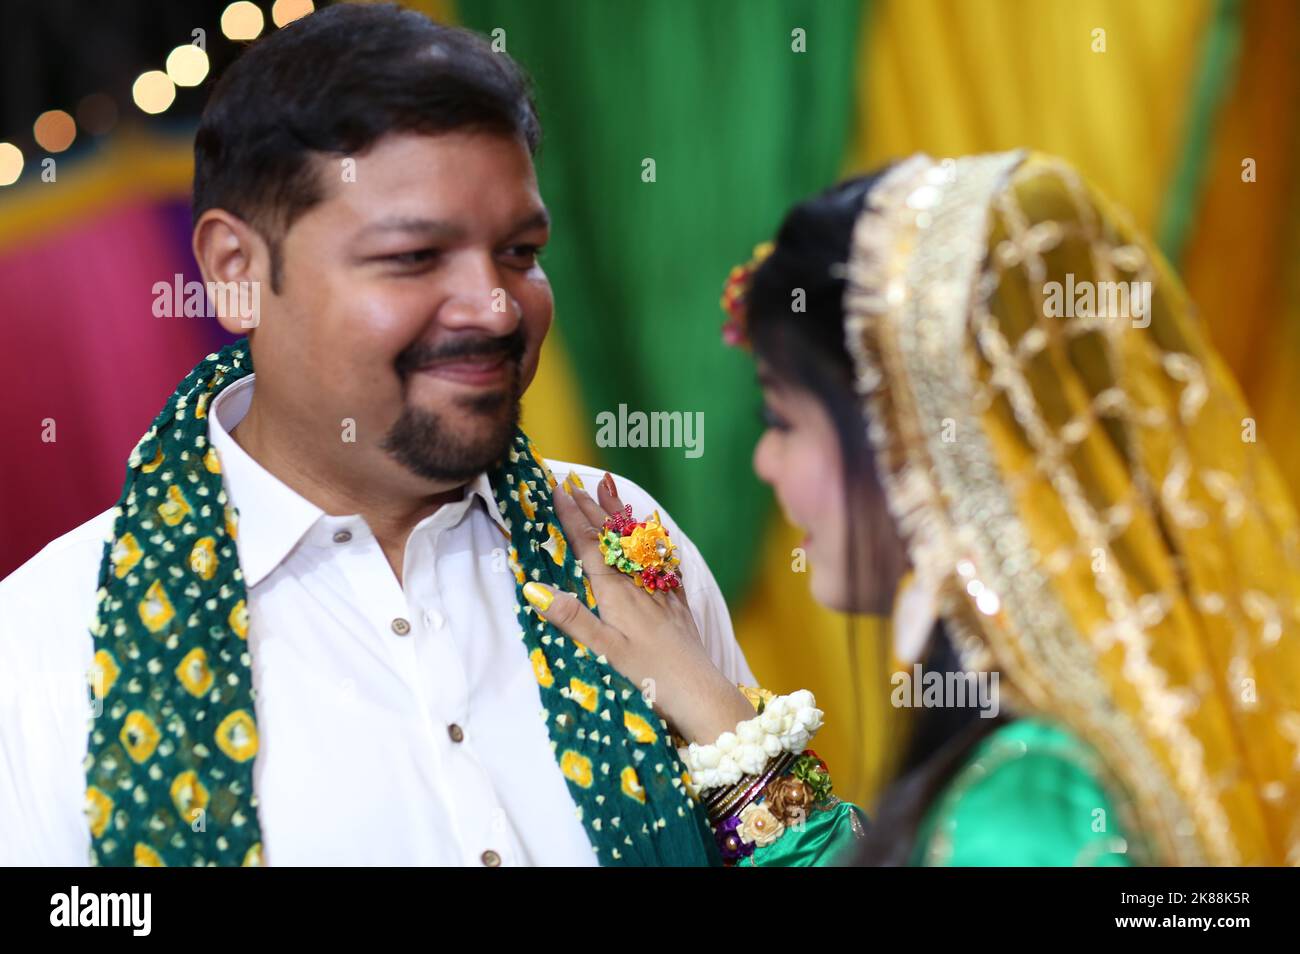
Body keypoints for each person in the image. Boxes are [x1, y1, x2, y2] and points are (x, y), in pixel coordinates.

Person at [0, 4, 758, 867]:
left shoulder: (623, 548)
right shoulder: (46, 650)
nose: (497, 306)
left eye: (520, 251)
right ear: (235, 273)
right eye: (413, 258)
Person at [529, 151, 1300, 865]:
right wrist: (704, 701)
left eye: (783, 422)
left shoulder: (1034, 807)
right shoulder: (1087, 722)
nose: (765, 461)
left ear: (911, 446)